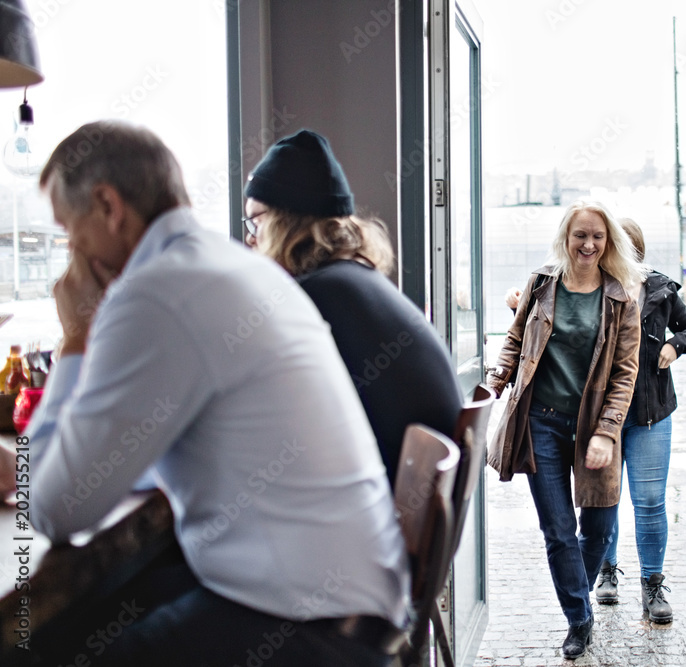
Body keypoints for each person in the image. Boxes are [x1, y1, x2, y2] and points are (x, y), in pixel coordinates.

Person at [26, 121, 408, 666]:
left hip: (310, 633)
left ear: (109, 206)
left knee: (50, 645)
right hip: (352, 608)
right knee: (104, 612)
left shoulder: (154, 293)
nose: (72, 254)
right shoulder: (235, 268)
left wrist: (75, 338)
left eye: (70, 231)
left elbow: (53, 510)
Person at [241, 129, 464, 487]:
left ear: (285, 223)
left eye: (256, 220)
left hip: (385, 506)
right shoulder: (353, 280)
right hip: (418, 503)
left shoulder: (317, 295)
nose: (250, 237)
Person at [486, 200, 642, 660]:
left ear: (607, 241)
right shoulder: (541, 284)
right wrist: (495, 381)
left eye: (597, 236)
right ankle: (579, 618)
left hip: (595, 429)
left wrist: (606, 431)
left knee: (598, 527)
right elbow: (515, 340)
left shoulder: (621, 299)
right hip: (542, 425)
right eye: (580, 235)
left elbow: (625, 373)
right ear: (566, 238)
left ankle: (579, 596)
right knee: (558, 530)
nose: (588, 244)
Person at [594, 218, 686, 623]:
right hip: (603, 418)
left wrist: (677, 345)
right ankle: (606, 573)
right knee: (605, 500)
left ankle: (652, 585)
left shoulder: (660, 289)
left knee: (650, 503)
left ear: (635, 249)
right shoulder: (590, 288)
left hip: (652, 414)